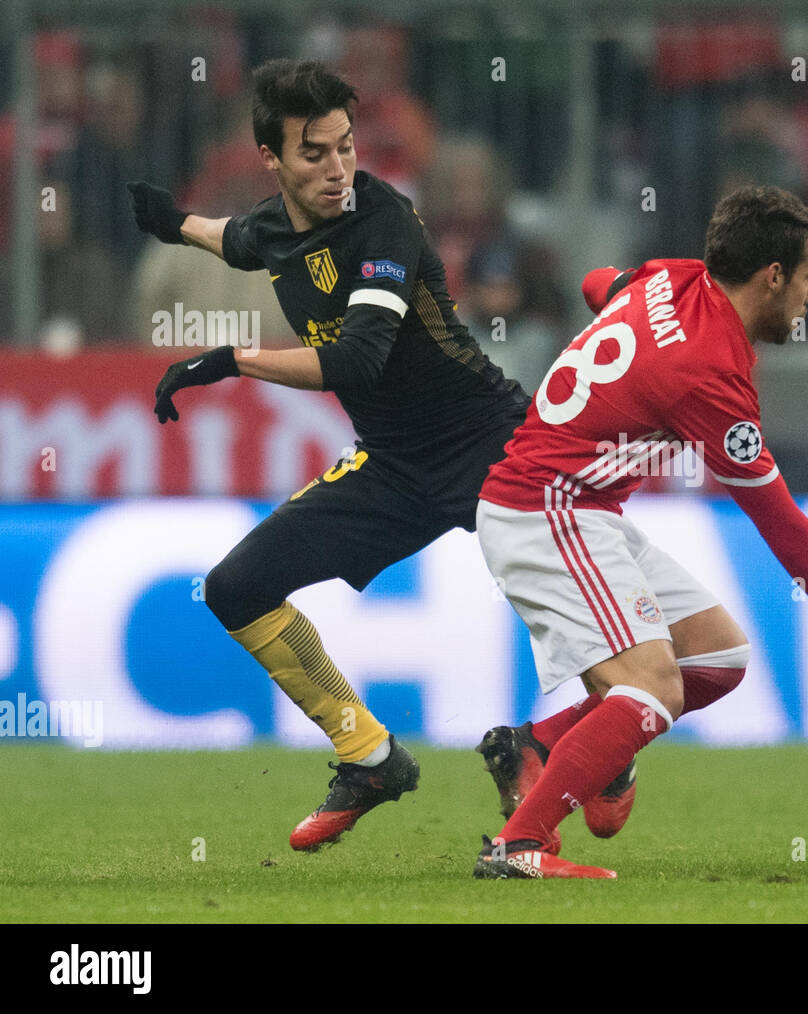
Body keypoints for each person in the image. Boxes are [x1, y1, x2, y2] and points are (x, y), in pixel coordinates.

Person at [472, 185, 808, 879]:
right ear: (772, 276)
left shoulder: (671, 277)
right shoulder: (710, 375)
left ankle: (536, 745)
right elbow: (778, 518)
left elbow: (598, 283)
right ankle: (519, 847)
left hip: (584, 506)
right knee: (652, 689)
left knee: (717, 659)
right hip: (548, 510)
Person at [126, 59, 528, 851]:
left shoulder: (385, 222)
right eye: (316, 153)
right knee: (238, 588)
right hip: (396, 465)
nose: (340, 169)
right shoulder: (277, 224)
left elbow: (357, 359)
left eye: (347, 146)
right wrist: (171, 223)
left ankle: (588, 752)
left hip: (492, 445)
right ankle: (368, 755)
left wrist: (230, 359)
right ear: (270, 159)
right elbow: (238, 239)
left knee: (573, 618)